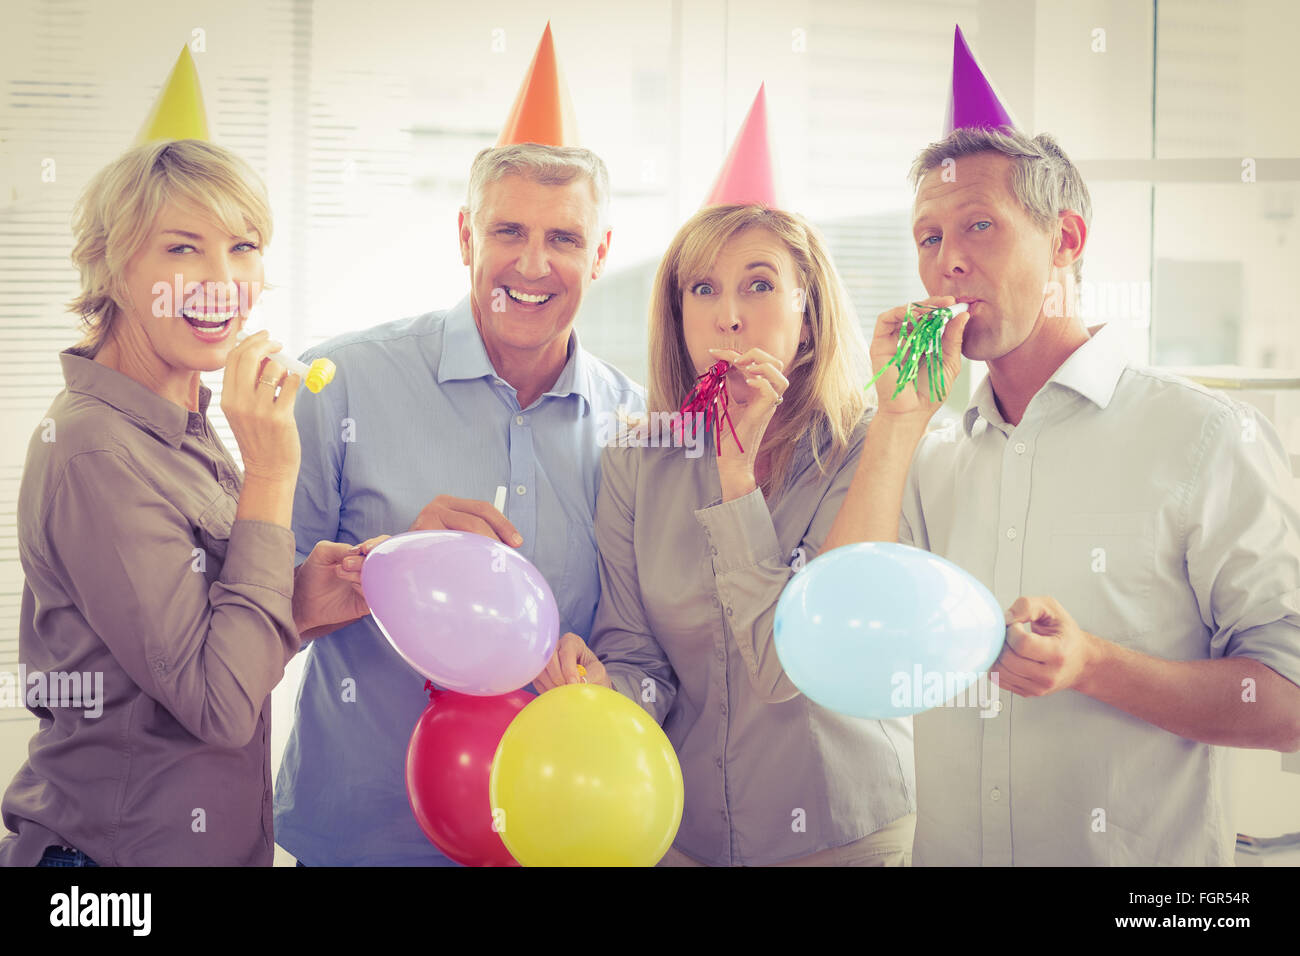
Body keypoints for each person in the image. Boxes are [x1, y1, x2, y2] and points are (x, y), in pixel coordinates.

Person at [827, 125, 1300, 865]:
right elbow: (844, 628)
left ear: (1065, 240)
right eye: (928, 238)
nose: (947, 261)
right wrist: (894, 420)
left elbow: (1289, 703)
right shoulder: (923, 449)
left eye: (979, 225)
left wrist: (1093, 666)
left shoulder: (1208, 437)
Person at [534, 203, 965, 865]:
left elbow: (791, 664)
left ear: (810, 314)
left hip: (845, 835)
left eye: (759, 285)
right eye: (702, 289)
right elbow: (640, 661)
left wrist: (734, 475)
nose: (728, 315)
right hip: (681, 837)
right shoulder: (637, 461)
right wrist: (605, 692)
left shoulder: (873, 449)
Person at [0, 139, 376, 867]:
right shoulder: (97, 451)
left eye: (243, 246)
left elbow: (200, 648)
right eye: (182, 248)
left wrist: (295, 605)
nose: (222, 282)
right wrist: (270, 474)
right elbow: (219, 704)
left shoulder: (184, 424)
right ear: (111, 264)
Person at [273, 142, 645, 866]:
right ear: (466, 236)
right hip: (365, 839)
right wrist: (391, 565)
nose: (533, 265)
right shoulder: (337, 383)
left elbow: (646, 647)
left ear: (598, 254)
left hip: (560, 835)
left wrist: (611, 680)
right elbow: (255, 617)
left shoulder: (636, 427)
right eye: (508, 231)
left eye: (563, 238)